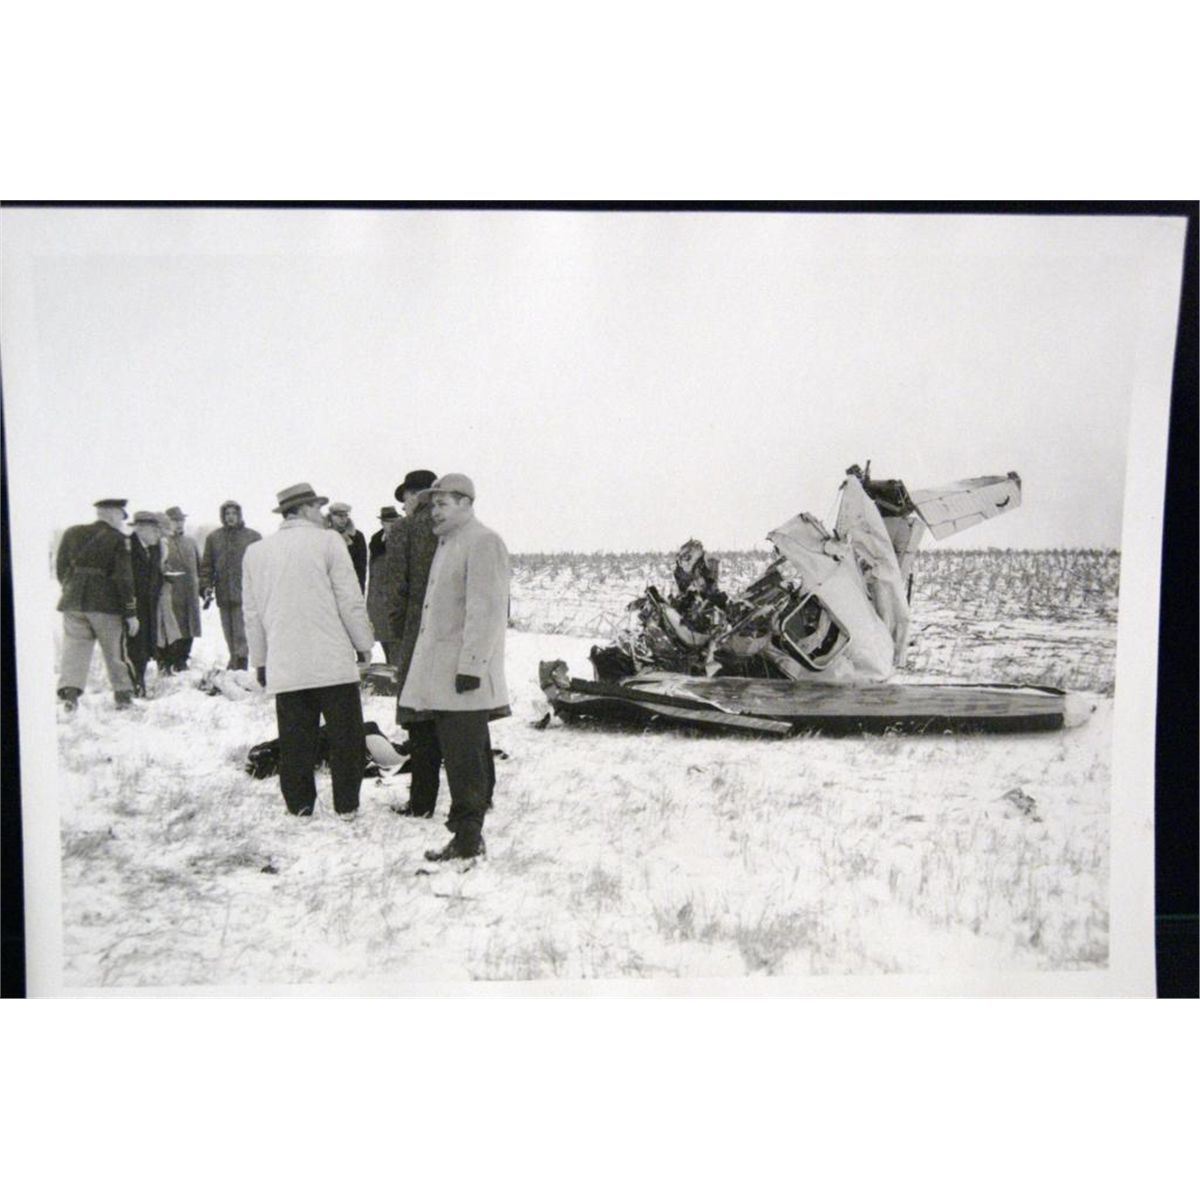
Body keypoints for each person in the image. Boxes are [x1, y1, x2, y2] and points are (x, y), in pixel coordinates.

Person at [242, 482, 375, 820]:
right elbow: (350, 599)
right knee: (346, 739)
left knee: (295, 741)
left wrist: (260, 660)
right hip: (331, 662)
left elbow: (252, 613)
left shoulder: (256, 552)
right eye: (317, 507)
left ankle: (300, 807)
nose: (322, 514)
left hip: (286, 665)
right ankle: (347, 806)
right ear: (302, 509)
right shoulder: (328, 541)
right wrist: (363, 644)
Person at [396, 473, 510, 861]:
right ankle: (465, 837)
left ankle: (467, 840)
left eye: (442, 504)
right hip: (443, 673)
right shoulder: (450, 543)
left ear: (466, 503)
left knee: (465, 760)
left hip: (463, 676)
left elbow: (488, 610)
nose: (434, 512)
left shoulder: (483, 542)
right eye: (432, 505)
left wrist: (473, 666)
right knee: (461, 756)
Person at [384, 469, 440, 816]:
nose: (403, 505)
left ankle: (422, 802)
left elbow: (396, 589)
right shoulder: (453, 527)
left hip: (417, 633)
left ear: (414, 495)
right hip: (453, 637)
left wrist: (399, 631)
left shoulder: (404, 530)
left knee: (420, 721)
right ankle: (482, 793)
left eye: (404, 497)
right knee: (462, 718)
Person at [55, 498, 138, 711]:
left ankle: (70, 697)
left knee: (74, 650)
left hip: (73, 602)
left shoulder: (72, 533)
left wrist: (71, 589)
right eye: (121, 515)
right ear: (112, 514)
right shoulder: (119, 540)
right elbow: (124, 578)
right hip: (106, 605)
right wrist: (130, 612)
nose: (122, 520)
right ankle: (123, 697)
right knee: (115, 652)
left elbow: (61, 567)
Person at [199, 500, 261, 669]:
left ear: (239, 515)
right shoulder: (214, 538)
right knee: (229, 633)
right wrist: (206, 587)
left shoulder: (252, 537)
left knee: (242, 633)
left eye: (234, 513)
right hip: (223, 593)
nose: (231, 517)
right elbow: (206, 566)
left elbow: (261, 566)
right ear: (223, 516)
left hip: (245, 594)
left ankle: (241, 663)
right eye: (227, 514)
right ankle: (234, 661)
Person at [158, 505, 202, 672]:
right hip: (170, 594)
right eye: (175, 520)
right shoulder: (162, 542)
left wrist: (203, 588)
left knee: (189, 626)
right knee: (170, 626)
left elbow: (200, 566)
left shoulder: (191, 542)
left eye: (181, 520)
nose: (179, 524)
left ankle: (183, 659)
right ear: (166, 522)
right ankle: (166, 661)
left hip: (189, 594)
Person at [126, 512, 165, 696]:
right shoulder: (127, 547)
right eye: (154, 529)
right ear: (140, 529)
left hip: (149, 605)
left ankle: (139, 682)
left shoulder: (155, 548)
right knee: (134, 646)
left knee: (145, 646)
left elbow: (156, 574)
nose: (158, 533)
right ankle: (134, 684)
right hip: (133, 605)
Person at [366, 504, 401, 665]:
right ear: (382, 523)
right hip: (378, 600)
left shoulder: (403, 537)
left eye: (394, 521)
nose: (391, 525)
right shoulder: (376, 540)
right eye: (388, 521)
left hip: (395, 598)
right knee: (384, 640)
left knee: (396, 641)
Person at [327, 501, 368, 591]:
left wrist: (360, 590)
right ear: (331, 517)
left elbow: (361, 567)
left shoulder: (357, 537)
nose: (343, 519)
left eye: (346, 515)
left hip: (349, 586)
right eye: (340, 516)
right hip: (328, 587)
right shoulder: (323, 535)